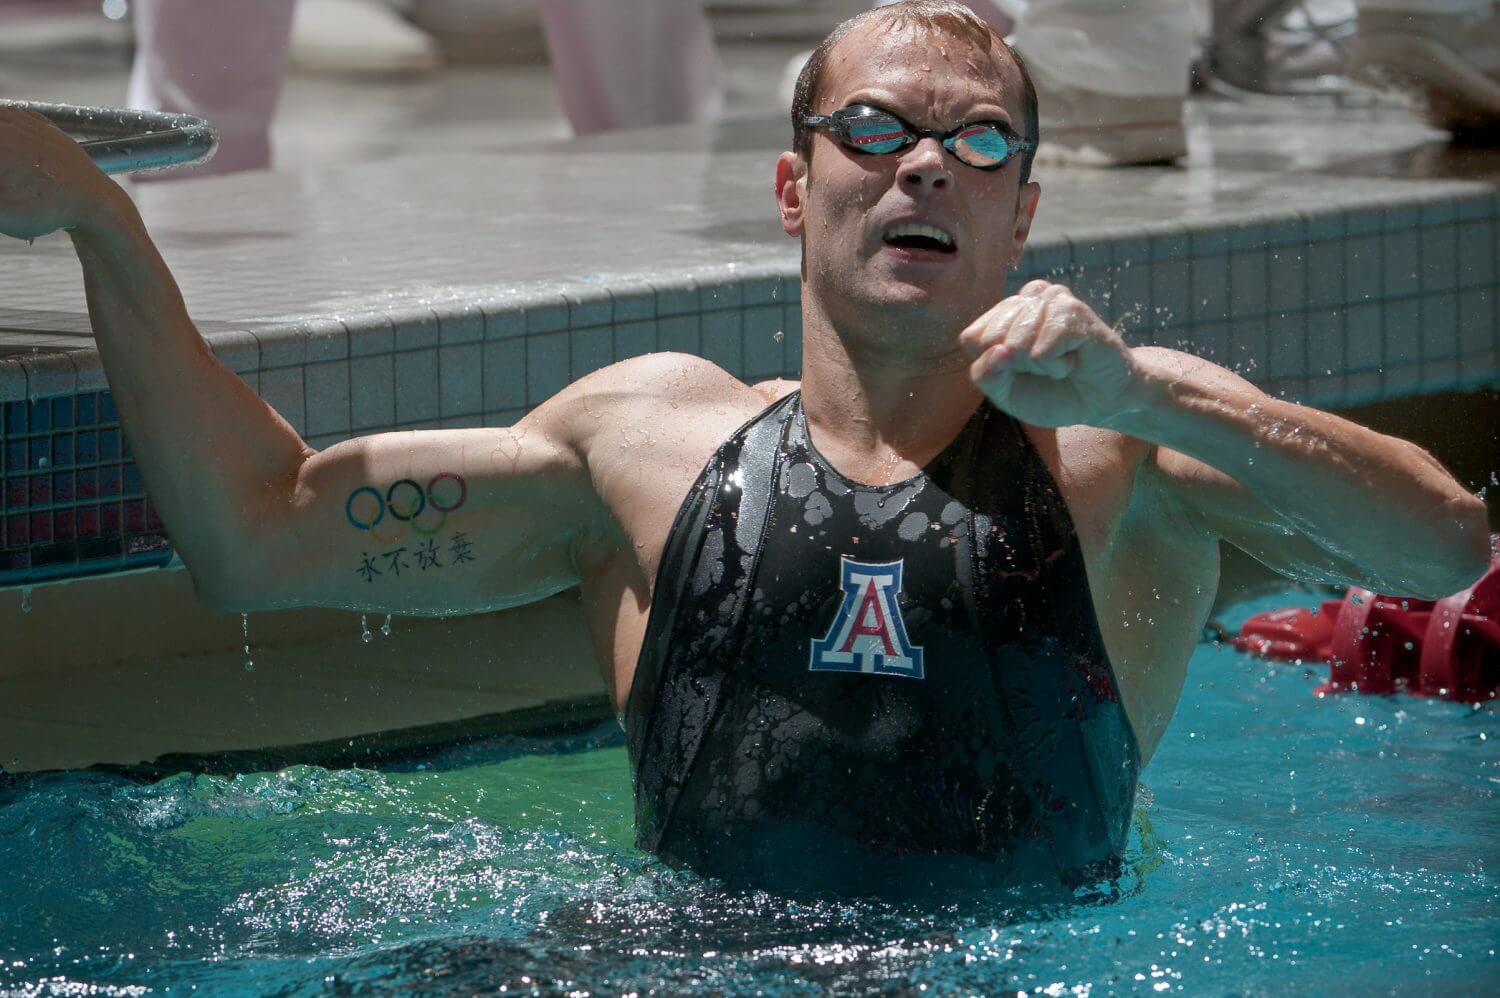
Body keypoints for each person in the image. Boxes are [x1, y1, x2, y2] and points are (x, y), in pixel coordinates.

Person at [0, 0, 1487, 895]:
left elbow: (1445, 547)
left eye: (978, 144)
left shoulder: (1123, 457)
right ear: (792, 187)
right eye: (876, 127)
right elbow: (254, 538)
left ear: (1024, 213)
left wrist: (1159, 393)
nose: (923, 160)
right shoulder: (644, 446)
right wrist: (99, 223)